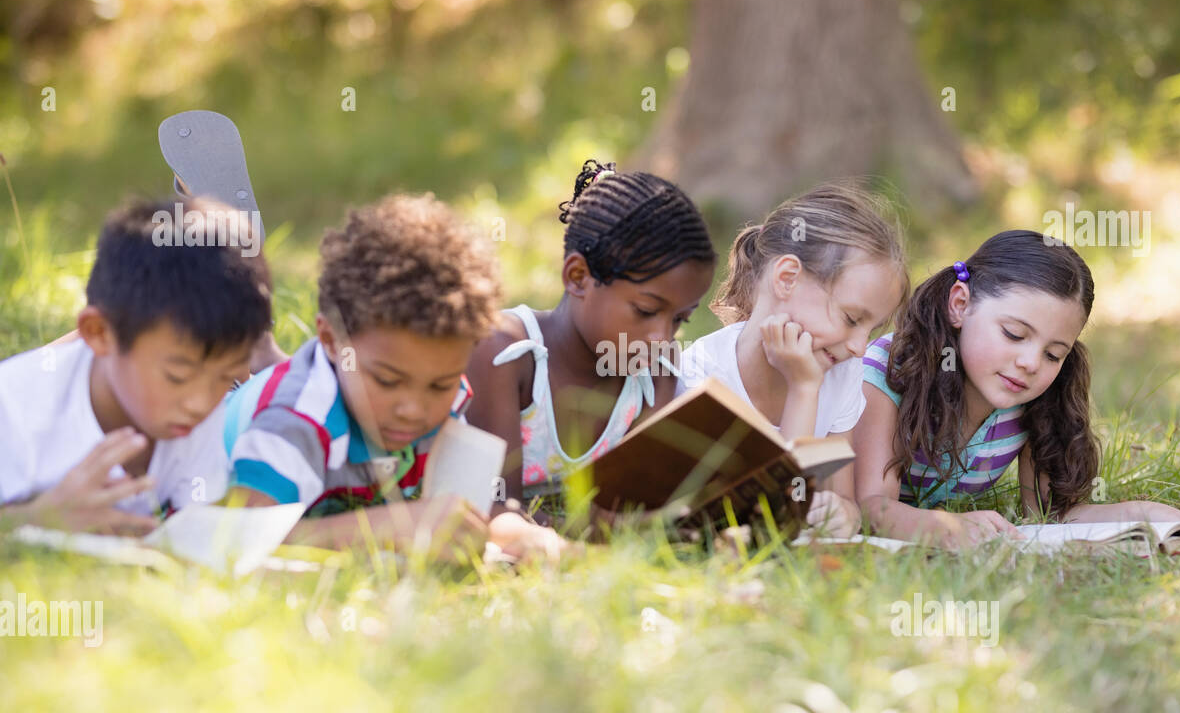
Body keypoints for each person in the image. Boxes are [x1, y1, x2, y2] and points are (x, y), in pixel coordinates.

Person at [220, 193, 564, 559]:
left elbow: (466, 514)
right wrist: (390, 524)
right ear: (331, 341)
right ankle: (248, 345)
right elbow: (235, 538)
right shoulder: (295, 423)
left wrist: (531, 538)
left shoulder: (449, 398)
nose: (414, 409)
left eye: (440, 384)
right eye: (387, 380)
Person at [855, 229, 1180, 549]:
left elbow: (1050, 517)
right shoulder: (890, 370)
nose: (1031, 363)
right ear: (960, 304)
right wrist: (946, 526)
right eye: (1014, 334)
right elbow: (871, 505)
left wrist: (1153, 517)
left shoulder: (1029, 400)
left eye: (1053, 354)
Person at [0, 197, 271, 533]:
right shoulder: (14, 412)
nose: (201, 403)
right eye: (177, 376)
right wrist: (36, 519)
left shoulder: (200, 411)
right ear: (99, 334)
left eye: (227, 377)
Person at [465, 159, 716, 517]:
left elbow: (635, 502)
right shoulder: (506, 352)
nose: (662, 338)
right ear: (579, 276)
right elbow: (495, 510)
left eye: (679, 319)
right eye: (646, 311)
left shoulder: (654, 375)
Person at [677, 183, 909, 538]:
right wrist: (803, 389)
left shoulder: (842, 377)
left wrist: (842, 514)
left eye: (872, 329)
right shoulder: (701, 378)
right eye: (850, 319)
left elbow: (840, 494)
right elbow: (774, 513)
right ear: (787, 278)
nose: (861, 348)